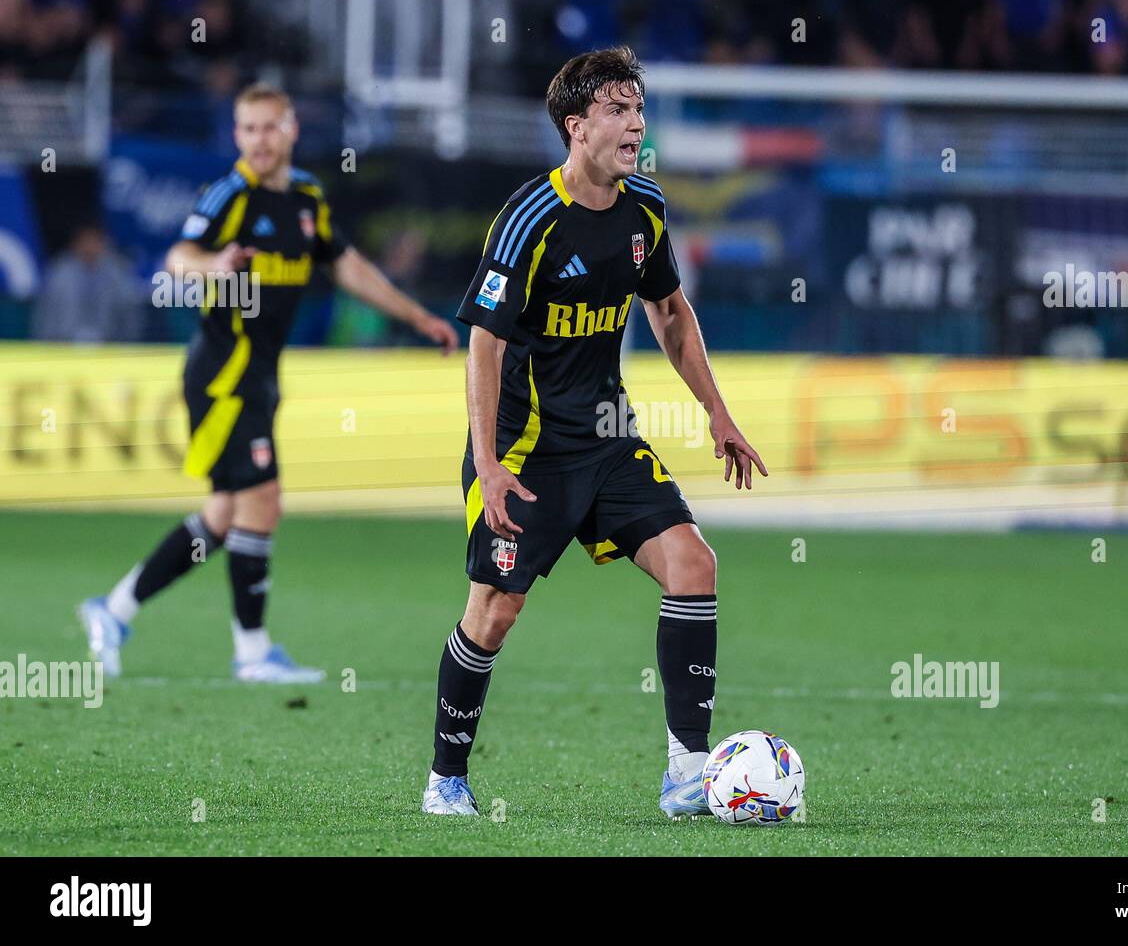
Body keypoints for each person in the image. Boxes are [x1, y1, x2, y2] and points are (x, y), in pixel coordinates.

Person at [420, 46, 766, 818]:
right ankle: (446, 778)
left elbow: (671, 313)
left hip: (608, 438)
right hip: (524, 453)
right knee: (494, 612)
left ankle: (687, 771)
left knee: (693, 564)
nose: (636, 123)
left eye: (639, 108)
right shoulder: (528, 220)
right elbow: (486, 341)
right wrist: (488, 464)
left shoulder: (646, 207)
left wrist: (718, 410)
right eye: (617, 110)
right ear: (577, 127)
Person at [78, 82, 459, 683]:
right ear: (237, 136)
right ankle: (251, 652)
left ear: (290, 131)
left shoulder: (307, 198)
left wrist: (416, 316)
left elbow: (347, 265)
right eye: (248, 128)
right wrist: (214, 265)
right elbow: (177, 258)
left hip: (259, 377)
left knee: (225, 515)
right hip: (223, 375)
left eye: (269, 127)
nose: (259, 139)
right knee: (263, 500)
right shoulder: (230, 196)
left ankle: (114, 608)